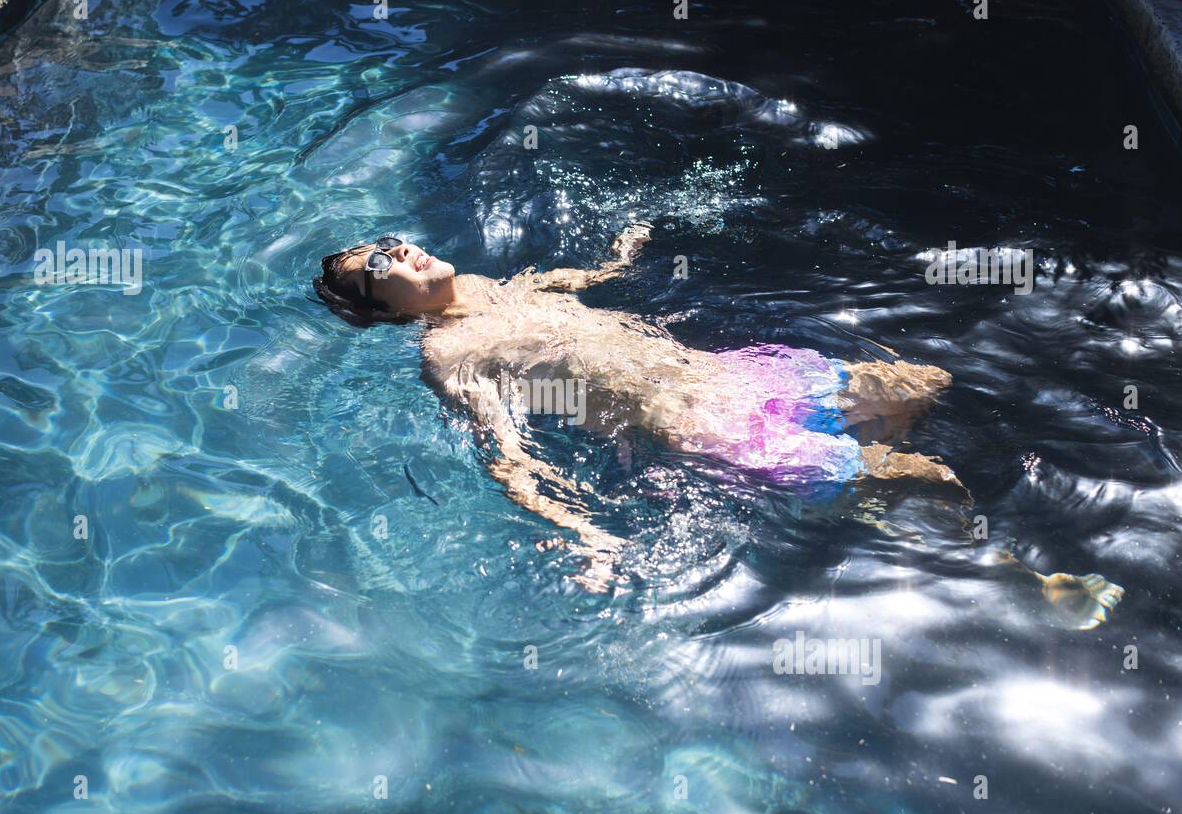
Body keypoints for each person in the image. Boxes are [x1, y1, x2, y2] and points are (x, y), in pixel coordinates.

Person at [314, 227, 1122, 621]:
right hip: (713, 431)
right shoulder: (448, 355)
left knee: (924, 385)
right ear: (381, 312)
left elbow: (558, 283)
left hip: (742, 373)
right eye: (378, 268)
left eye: (390, 241)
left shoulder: (485, 286)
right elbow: (504, 453)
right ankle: (1031, 581)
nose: (399, 253)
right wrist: (583, 530)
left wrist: (614, 261)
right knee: (929, 484)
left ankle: (877, 471)